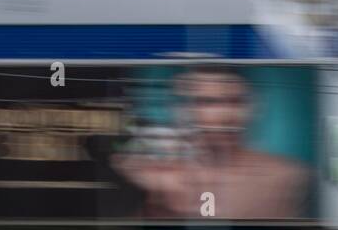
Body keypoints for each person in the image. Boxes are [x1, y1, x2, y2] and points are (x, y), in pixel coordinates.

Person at [112, 66, 309, 219]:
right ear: (181, 111)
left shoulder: (286, 177)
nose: (225, 116)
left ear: (252, 107)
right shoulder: (150, 177)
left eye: (235, 101)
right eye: (207, 102)